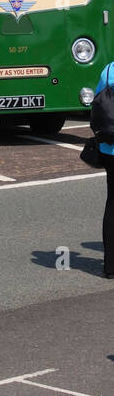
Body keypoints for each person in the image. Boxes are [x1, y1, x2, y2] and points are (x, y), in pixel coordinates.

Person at [93, 61, 114, 278]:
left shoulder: (108, 69)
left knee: (112, 204)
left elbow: (97, 107)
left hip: (110, 148)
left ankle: (110, 267)